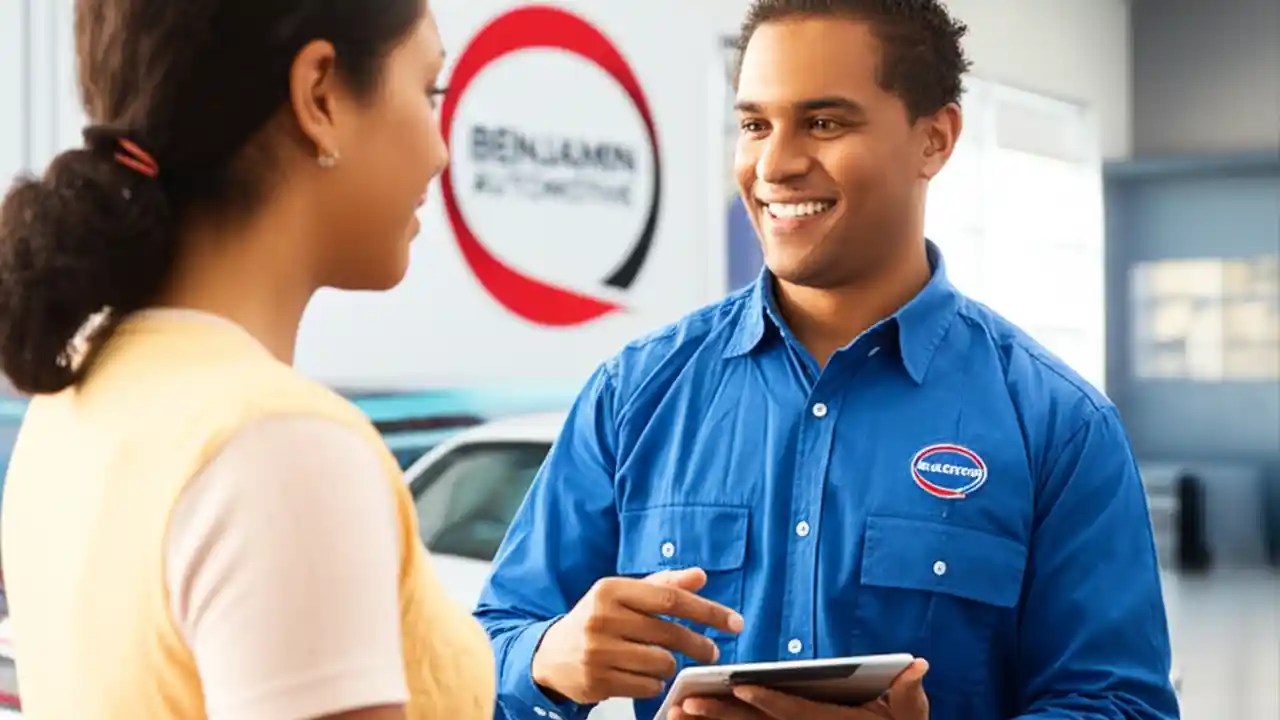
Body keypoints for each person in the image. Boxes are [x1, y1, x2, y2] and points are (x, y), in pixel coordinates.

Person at [475, 1, 1181, 720]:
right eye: (755, 124)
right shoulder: (635, 394)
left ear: (934, 139)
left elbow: (1120, 704)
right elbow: (487, 647)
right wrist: (549, 658)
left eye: (823, 123)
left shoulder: (1059, 425)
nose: (774, 165)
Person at [0, 1, 494, 718]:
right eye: (429, 91)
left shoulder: (74, 393)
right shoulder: (279, 445)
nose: (442, 151)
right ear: (320, 95)